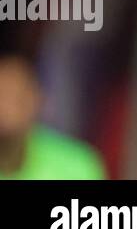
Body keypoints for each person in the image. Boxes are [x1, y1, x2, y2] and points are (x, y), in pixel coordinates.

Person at [0, 52, 105, 180]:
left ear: (38, 99)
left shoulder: (77, 162)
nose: (6, 109)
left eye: (17, 99)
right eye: (2, 97)